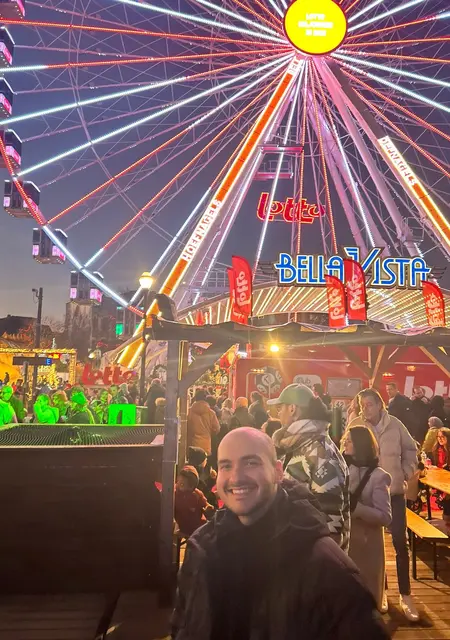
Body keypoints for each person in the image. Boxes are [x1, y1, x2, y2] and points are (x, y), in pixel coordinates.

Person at [171, 428, 390, 640]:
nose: (236, 477)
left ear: (278, 471)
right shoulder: (200, 549)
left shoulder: (327, 568)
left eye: (251, 463)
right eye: (226, 466)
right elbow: (182, 625)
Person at [346, 388, 419, 622]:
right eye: (362, 405)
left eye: (369, 404)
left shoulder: (395, 425)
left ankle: (405, 595)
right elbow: (345, 451)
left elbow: (411, 450)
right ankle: (381, 589)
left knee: (399, 541)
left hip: (394, 490)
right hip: (367, 492)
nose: (365, 409)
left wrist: (405, 473)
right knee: (374, 545)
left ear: (380, 404)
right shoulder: (356, 424)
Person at [269, 384, 350, 551]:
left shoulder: (321, 454)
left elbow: (331, 525)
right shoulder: (299, 446)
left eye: (280, 408)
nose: (278, 413)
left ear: (292, 409)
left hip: (311, 558)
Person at [342, 426, 392, 612]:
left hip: (367, 545)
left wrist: (357, 509)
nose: (345, 443)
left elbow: (385, 517)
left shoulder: (379, 477)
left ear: (360, 445)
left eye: (349, 440)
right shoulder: (343, 469)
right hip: (346, 542)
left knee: (366, 598)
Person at [174, 465, 213, 537]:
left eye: (183, 484)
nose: (179, 485)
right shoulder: (175, 493)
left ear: (192, 486)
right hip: (184, 527)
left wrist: (208, 507)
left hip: (199, 526)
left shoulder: (196, 494)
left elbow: (205, 504)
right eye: (179, 482)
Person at [187, 389, 220, 455]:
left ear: (195, 398)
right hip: (206, 443)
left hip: (192, 443)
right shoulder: (211, 413)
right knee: (204, 460)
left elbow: (185, 427)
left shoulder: (189, 412)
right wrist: (209, 433)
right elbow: (217, 428)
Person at [429, 427, 450, 531]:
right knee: (446, 504)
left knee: (447, 502)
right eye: (438, 437)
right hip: (441, 480)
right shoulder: (437, 450)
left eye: (443, 437)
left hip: (447, 481)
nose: (440, 439)